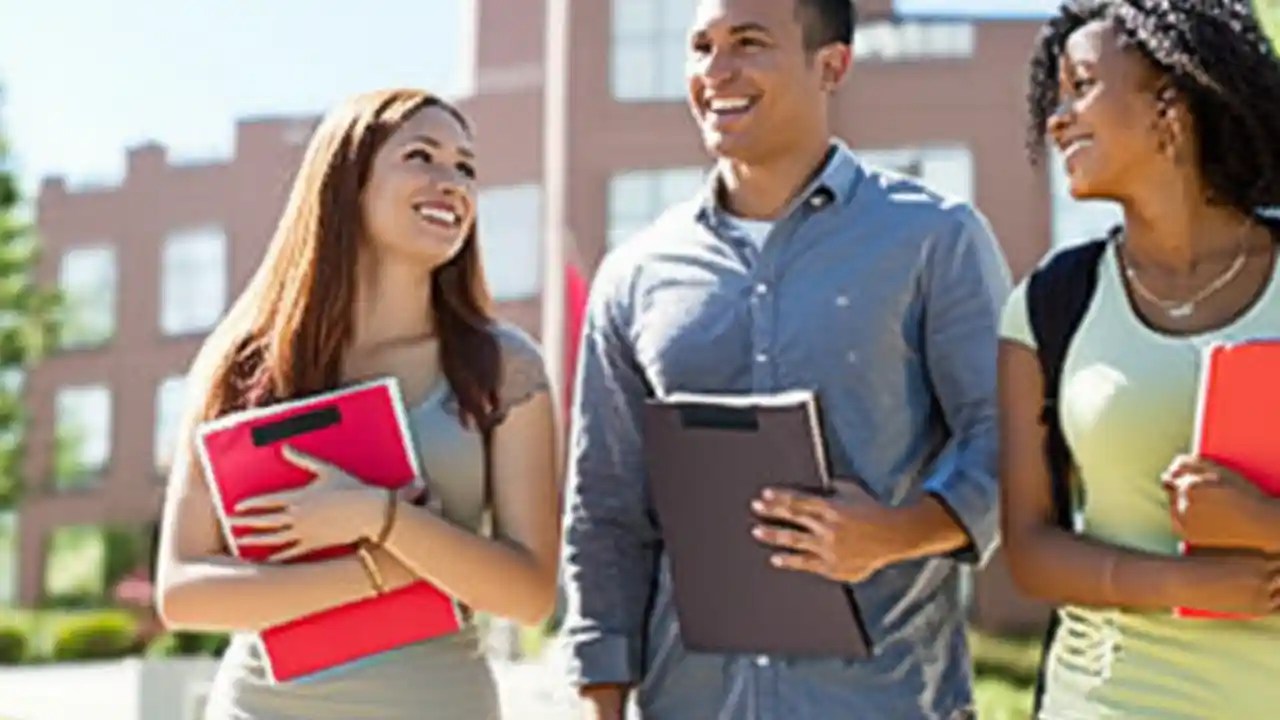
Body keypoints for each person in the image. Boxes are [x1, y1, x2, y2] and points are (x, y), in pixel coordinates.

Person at [558, 0, 1011, 717]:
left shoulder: (935, 239)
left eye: (748, 42)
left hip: (885, 702)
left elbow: (1004, 440)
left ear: (831, 65)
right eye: (701, 46)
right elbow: (606, 510)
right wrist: (603, 701)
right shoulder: (634, 274)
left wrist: (895, 534)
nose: (716, 70)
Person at [152, 88, 560, 720]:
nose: (452, 182)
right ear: (348, 181)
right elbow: (182, 592)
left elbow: (529, 595)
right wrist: (378, 572)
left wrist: (379, 516)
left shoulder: (503, 367)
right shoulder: (243, 359)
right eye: (422, 156)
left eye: (465, 167)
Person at [1000, 1, 1280, 717]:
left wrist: (1262, 525)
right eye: (1056, 96)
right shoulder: (1049, 304)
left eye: (1082, 86)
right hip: (1107, 699)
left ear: (1170, 104)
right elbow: (1030, 548)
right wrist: (1184, 584)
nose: (1056, 119)